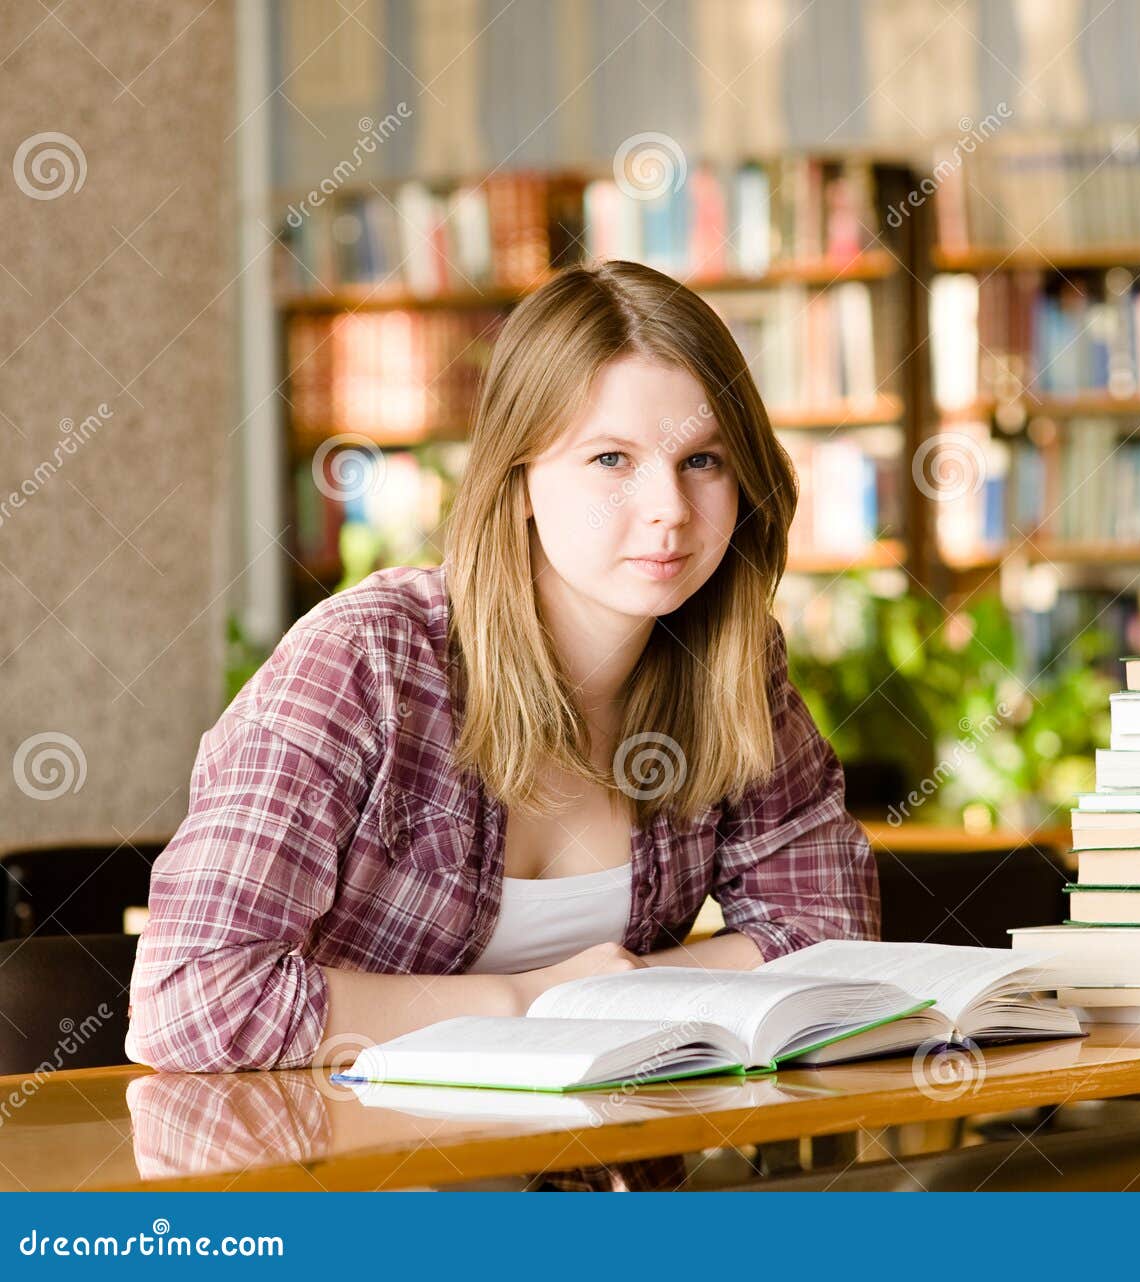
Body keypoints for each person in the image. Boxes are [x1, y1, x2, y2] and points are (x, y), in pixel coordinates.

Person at [126, 260, 881, 1076]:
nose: (667, 507)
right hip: (347, 1182)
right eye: (611, 460)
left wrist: (621, 991)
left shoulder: (732, 659)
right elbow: (192, 1000)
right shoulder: (369, 659)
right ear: (519, 479)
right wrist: (533, 999)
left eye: (703, 460)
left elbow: (828, 930)